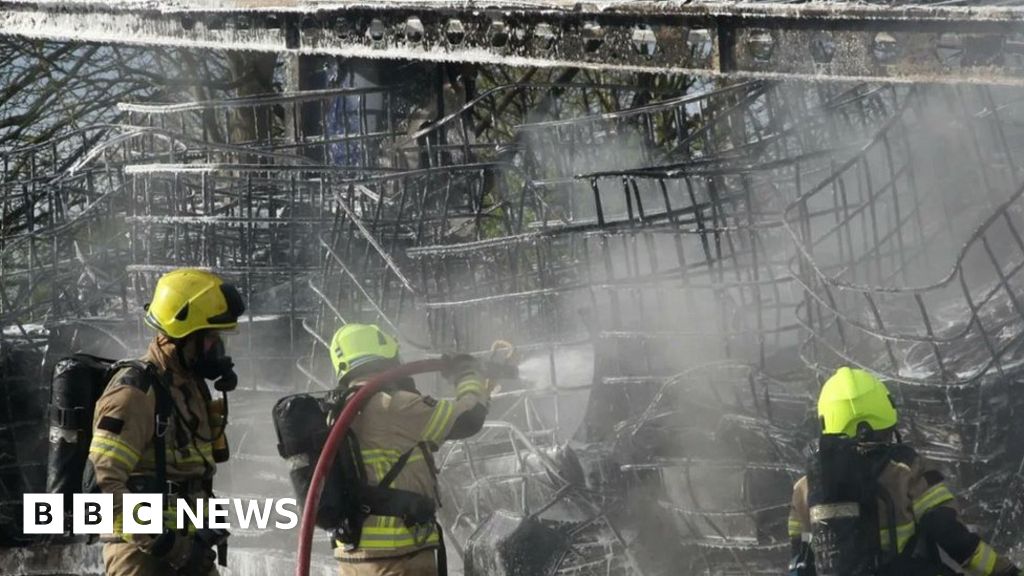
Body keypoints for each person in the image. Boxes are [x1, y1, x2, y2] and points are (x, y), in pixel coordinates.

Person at [788, 367, 1020, 576]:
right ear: (883, 411)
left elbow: (799, 562)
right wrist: (1005, 571)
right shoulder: (906, 469)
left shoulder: (804, 487)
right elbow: (951, 536)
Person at [88, 269, 245, 576]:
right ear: (184, 335)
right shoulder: (134, 392)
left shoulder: (189, 387)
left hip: (190, 551)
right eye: (211, 338)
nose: (218, 349)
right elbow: (101, 488)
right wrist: (167, 545)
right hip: (142, 555)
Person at [328, 323, 490, 576]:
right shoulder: (392, 405)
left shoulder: (341, 409)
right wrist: (469, 376)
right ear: (387, 355)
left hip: (355, 557)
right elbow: (469, 418)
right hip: (397, 557)